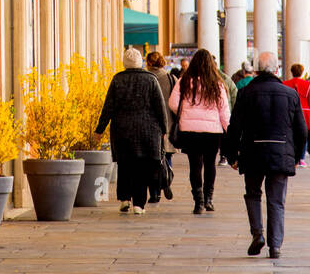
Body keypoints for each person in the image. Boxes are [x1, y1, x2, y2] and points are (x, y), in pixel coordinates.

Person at [223, 50, 307, 259]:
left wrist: (232, 154)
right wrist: (297, 156)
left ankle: (257, 233)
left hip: (252, 152)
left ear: (257, 69)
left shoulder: (246, 93)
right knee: (276, 200)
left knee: (253, 193)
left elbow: (235, 128)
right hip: (281, 151)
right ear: (277, 69)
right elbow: (302, 129)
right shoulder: (290, 94)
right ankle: (275, 245)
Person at [96, 47, 168, 215]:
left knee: (125, 165)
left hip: (122, 130)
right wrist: (164, 130)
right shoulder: (151, 79)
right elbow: (160, 107)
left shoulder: (117, 80)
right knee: (142, 168)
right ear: (140, 62)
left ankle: (124, 199)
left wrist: (99, 129)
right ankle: (139, 204)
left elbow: (108, 107)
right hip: (147, 131)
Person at [169, 48, 230, 214]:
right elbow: (224, 109)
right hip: (212, 131)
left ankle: (198, 202)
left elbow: (173, 103)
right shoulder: (217, 84)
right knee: (210, 164)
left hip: (190, 130)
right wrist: (227, 128)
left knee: (194, 165)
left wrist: (185, 114)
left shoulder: (184, 81)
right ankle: (209, 199)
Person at [145, 50, 176, 200]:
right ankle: (166, 179)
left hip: (150, 125)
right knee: (167, 156)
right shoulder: (171, 78)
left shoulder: (145, 78)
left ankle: (154, 193)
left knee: (151, 160)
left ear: (149, 63)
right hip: (168, 125)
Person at [283, 63, 310, 166]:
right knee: (304, 136)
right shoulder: (308, 85)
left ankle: (292, 156)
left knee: (291, 135)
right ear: (302, 72)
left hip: (290, 112)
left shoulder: (285, 83)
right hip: (305, 113)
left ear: (292, 72)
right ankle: (301, 158)